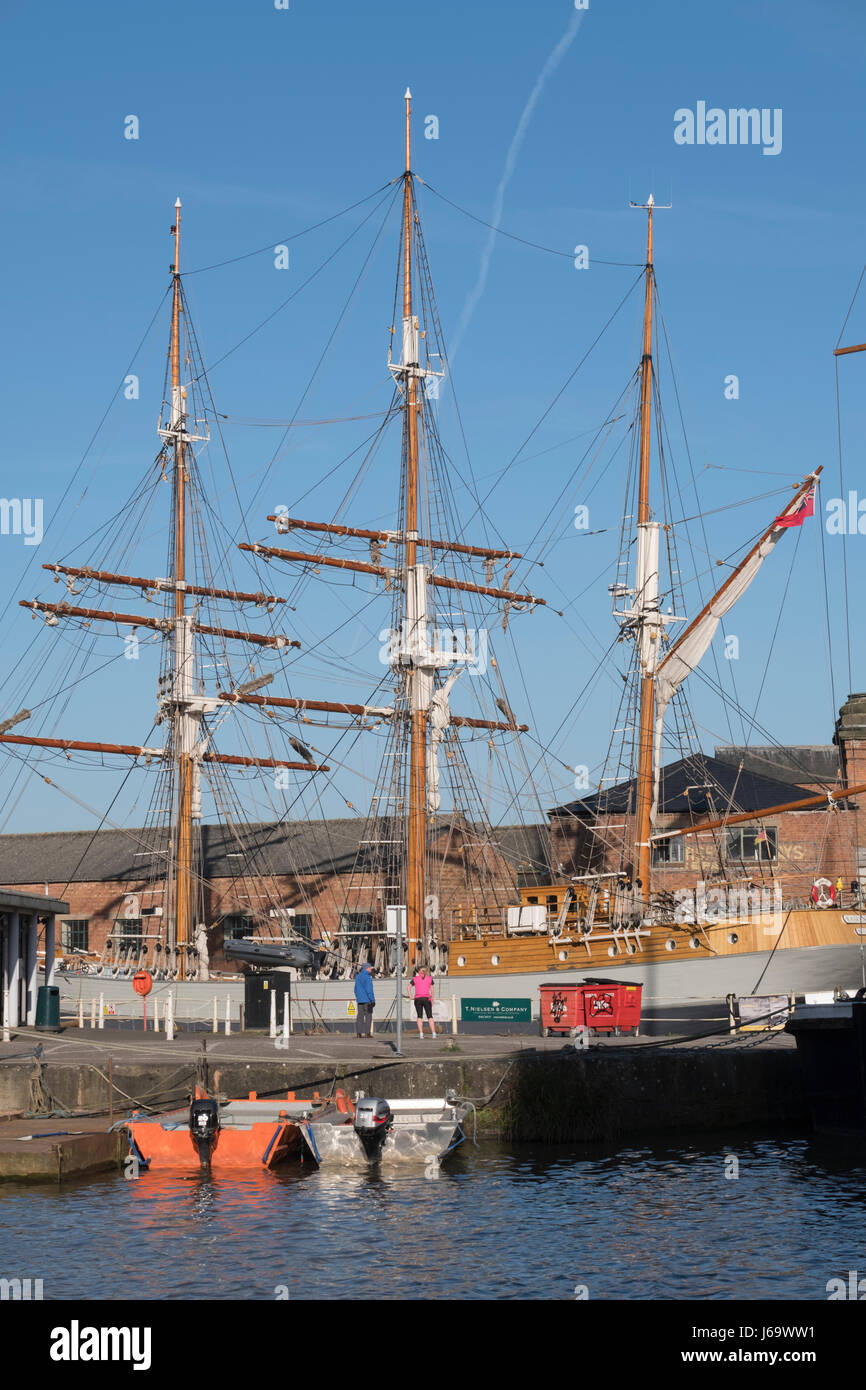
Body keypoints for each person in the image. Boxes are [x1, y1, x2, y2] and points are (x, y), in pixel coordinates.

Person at [411, 966, 436, 1038]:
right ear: (426, 971)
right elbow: (432, 989)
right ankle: (433, 1033)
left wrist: (410, 996)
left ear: (419, 972)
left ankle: (421, 1033)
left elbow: (409, 987)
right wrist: (432, 999)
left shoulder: (415, 979)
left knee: (419, 1016)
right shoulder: (429, 978)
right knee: (430, 1016)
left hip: (418, 999)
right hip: (426, 998)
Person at [354, 961, 375, 1038]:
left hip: (359, 1000)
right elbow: (369, 990)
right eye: (370, 968)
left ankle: (358, 1033)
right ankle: (367, 1033)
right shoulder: (368, 977)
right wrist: (372, 1000)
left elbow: (355, 989)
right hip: (367, 1000)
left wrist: (358, 997)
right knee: (368, 1016)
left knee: (360, 1016)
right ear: (367, 968)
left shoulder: (358, 976)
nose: (371, 970)